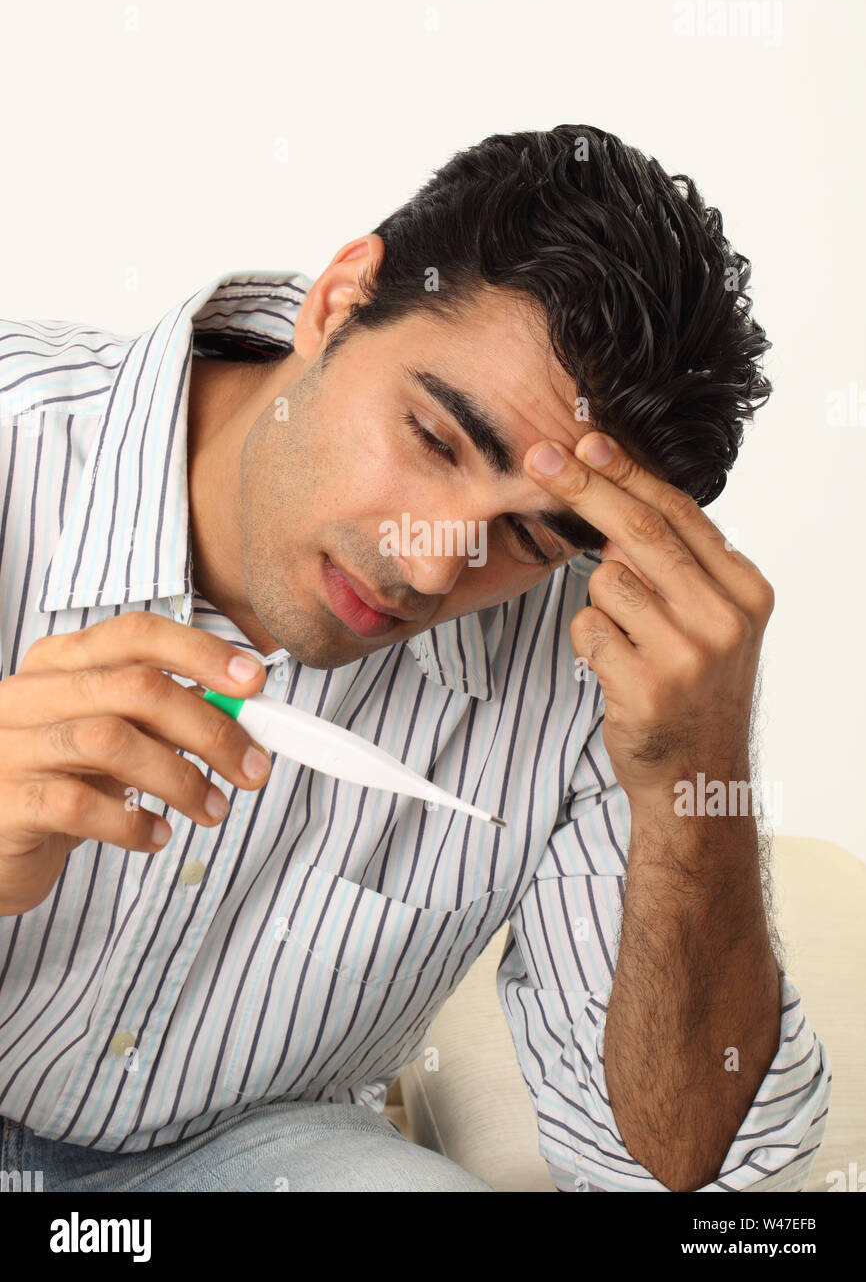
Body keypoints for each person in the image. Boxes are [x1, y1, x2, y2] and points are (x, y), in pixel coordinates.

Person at [0, 124, 830, 1192]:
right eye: (436, 438)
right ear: (340, 298)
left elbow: (690, 1180)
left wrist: (691, 773)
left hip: (256, 1149)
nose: (431, 570)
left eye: (530, 535)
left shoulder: (600, 659)